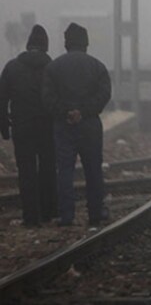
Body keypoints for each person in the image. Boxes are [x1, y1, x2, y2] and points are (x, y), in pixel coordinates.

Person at [42, 23, 111, 227]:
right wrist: (84, 112)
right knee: (93, 170)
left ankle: (66, 215)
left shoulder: (53, 67)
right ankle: (96, 213)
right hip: (90, 125)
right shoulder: (97, 66)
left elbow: (47, 98)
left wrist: (66, 112)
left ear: (66, 43)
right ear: (86, 43)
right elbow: (104, 94)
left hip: (63, 126)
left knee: (64, 171)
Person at [0, 25, 57, 227]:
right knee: (48, 168)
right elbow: (59, 98)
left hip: (22, 127)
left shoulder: (11, 67)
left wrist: (4, 127)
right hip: (47, 126)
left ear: (28, 45)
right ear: (45, 46)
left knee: (26, 171)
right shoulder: (52, 67)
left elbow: (2, 98)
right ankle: (48, 212)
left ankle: (31, 217)